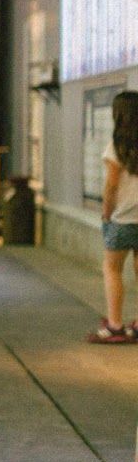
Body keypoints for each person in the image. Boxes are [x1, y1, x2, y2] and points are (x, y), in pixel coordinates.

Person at [88, 90, 138, 344]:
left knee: (112, 269)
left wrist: (106, 214)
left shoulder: (116, 148)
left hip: (121, 219)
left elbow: (111, 187)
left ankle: (115, 326)